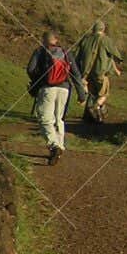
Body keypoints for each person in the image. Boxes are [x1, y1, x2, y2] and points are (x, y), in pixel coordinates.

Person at [25, 30, 85, 164]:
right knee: (59, 119)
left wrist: (37, 81)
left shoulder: (40, 51)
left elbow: (30, 69)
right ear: (56, 40)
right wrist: (81, 94)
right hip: (64, 89)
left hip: (47, 89)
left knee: (45, 118)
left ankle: (54, 145)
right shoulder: (66, 52)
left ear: (43, 40)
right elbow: (76, 73)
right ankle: (60, 147)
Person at [73, 20, 123, 123]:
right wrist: (118, 64)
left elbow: (76, 56)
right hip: (101, 73)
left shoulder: (85, 39)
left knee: (92, 94)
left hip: (86, 74)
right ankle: (95, 108)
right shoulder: (106, 40)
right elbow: (117, 55)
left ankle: (91, 117)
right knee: (103, 95)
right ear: (103, 29)